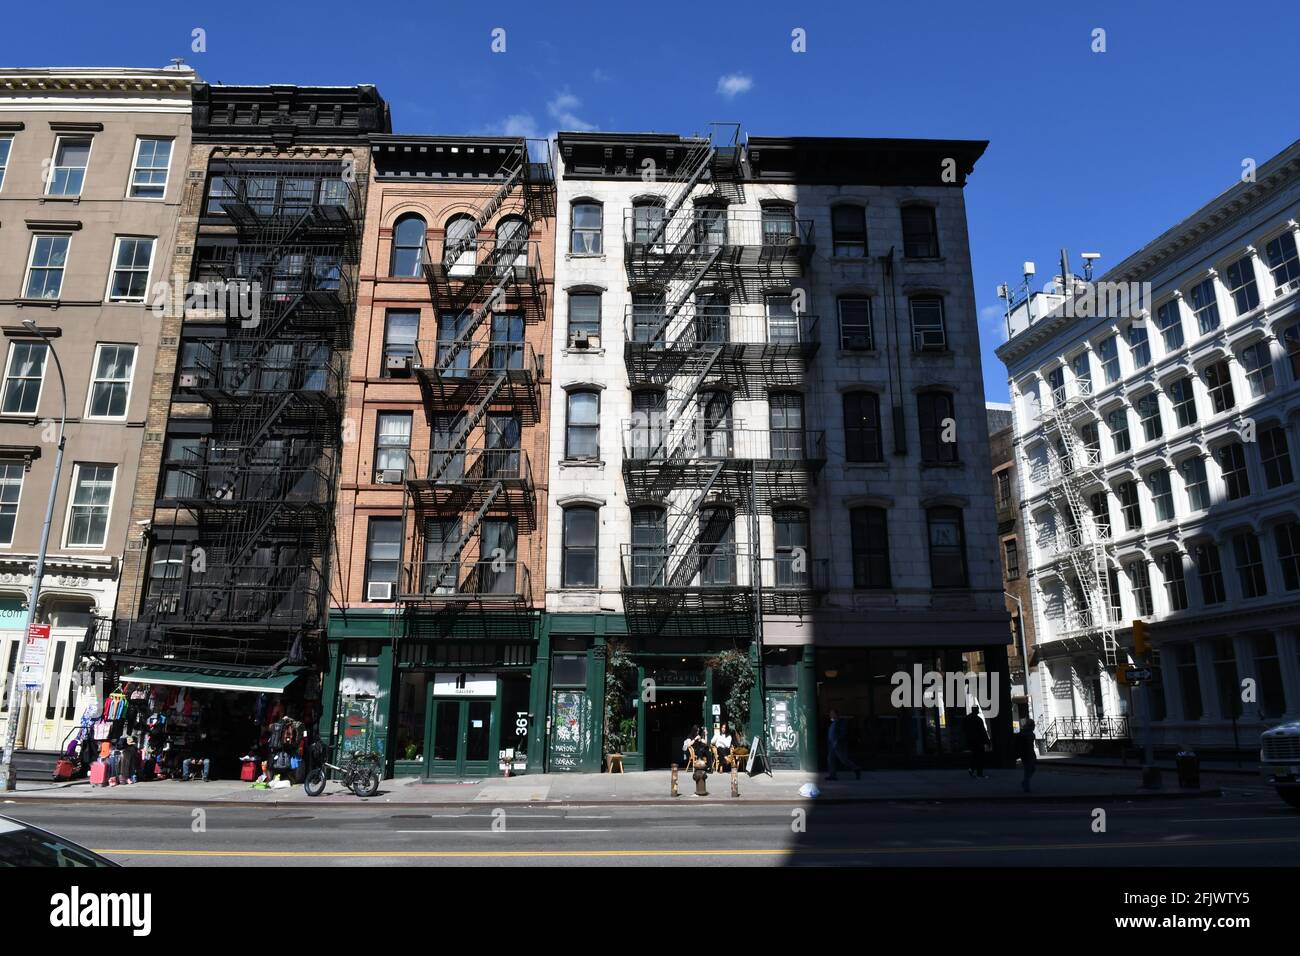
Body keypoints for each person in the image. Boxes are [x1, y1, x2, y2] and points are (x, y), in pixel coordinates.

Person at [825, 710, 861, 781]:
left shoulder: (841, 722)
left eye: (832, 714)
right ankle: (833, 775)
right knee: (830, 760)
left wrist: (837, 740)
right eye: (830, 714)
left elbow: (843, 733)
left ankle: (856, 769)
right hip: (832, 745)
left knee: (844, 760)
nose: (830, 715)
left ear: (836, 714)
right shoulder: (832, 722)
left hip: (839, 744)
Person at [963, 707, 990, 779]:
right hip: (978, 741)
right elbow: (982, 731)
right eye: (977, 710)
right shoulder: (978, 719)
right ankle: (979, 773)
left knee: (974, 755)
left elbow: (964, 729)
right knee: (980, 757)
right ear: (976, 711)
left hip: (971, 741)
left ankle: (971, 768)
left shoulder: (967, 718)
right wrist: (987, 741)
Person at [1017, 718, 1038, 792]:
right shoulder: (1027, 734)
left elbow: (1030, 746)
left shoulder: (1029, 734)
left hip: (1028, 754)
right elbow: (1027, 746)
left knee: (1031, 769)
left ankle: (1025, 783)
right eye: (1033, 725)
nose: (1034, 726)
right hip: (1027, 754)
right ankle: (1026, 786)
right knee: (1028, 770)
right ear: (1030, 726)